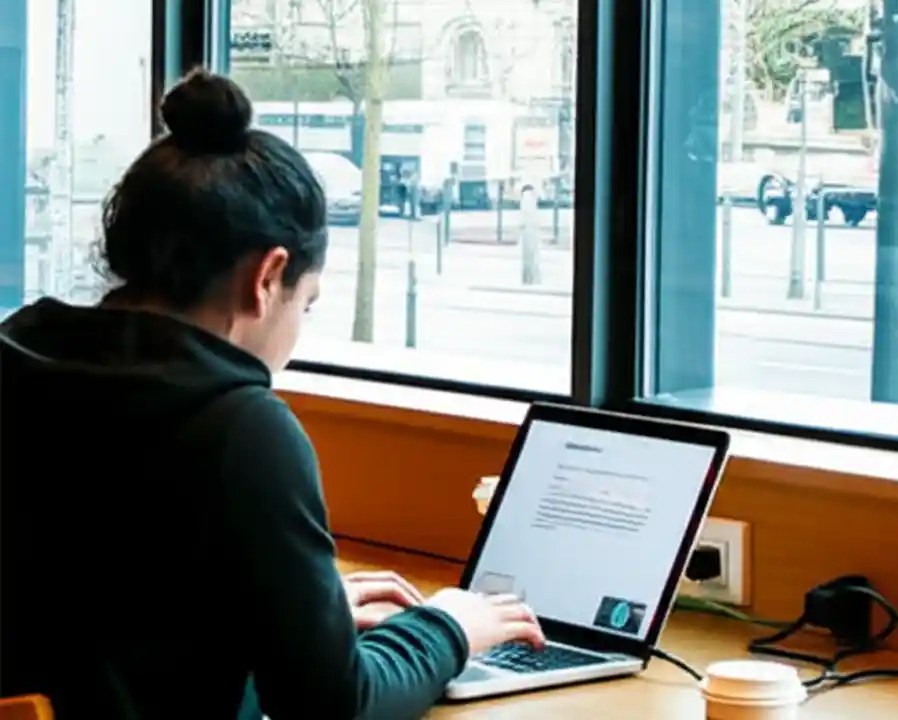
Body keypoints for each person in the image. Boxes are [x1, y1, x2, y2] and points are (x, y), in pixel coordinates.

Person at [0, 68, 543, 719]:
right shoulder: (240, 429)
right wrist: (449, 626)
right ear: (268, 277)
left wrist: (296, 614)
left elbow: (103, 611)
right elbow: (332, 706)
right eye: (305, 305)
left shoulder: (19, 358)